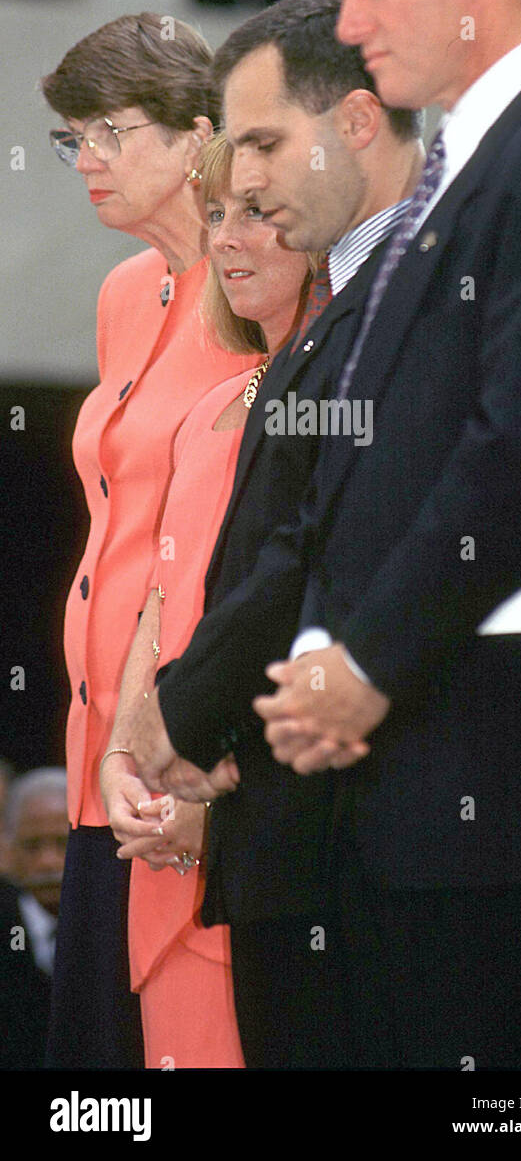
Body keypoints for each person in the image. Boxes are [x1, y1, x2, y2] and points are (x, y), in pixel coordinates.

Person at [132, 0, 521, 1070]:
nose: (347, 22)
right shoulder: (464, 179)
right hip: (404, 827)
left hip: (513, 824)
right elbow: (359, 489)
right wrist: (258, 691)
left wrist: (359, 662)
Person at [128, 0, 425, 1068]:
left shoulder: (416, 292)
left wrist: (181, 720)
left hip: (365, 845)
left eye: (261, 144)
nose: (239, 187)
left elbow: (322, 550)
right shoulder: (335, 315)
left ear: (352, 120)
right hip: (282, 842)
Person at [41, 13, 257, 1070]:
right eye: (72, 137)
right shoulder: (124, 294)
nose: (87, 160)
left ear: (195, 135)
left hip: (185, 760)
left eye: (109, 131)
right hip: (95, 764)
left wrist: (200, 761)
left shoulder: (263, 284)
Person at [100, 132, 311, 1068]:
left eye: (257, 213)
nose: (227, 238)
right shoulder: (207, 405)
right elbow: (159, 596)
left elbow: (295, 602)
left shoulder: (328, 398)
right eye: (216, 213)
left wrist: (216, 783)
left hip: (243, 816)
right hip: (159, 816)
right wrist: (121, 757)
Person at [0, 769, 67, 1068]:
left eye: (62, 844)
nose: (47, 862)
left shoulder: (118, 929)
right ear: (9, 849)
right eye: (32, 846)